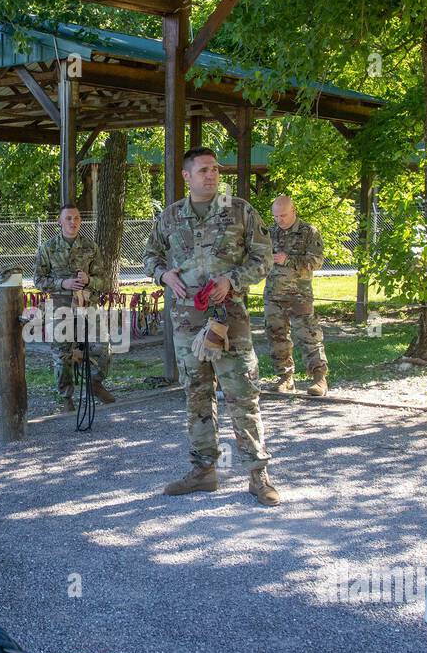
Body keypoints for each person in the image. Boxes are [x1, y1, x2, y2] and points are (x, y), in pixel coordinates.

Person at [144, 148, 281, 506]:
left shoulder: (239, 211)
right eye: (203, 170)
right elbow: (150, 255)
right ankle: (204, 472)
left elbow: (263, 257)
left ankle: (257, 475)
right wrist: (164, 273)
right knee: (197, 396)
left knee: (242, 395)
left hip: (228, 320)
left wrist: (233, 280)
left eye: (215, 169)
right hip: (187, 323)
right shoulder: (171, 217)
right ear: (187, 176)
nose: (212, 175)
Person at [33, 203, 116, 412]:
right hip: (61, 306)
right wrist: (63, 284)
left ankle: (95, 385)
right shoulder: (48, 248)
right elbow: (38, 280)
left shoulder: (90, 247)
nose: (73, 222)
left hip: (87, 304)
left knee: (102, 347)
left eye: (77, 218)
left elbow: (104, 280)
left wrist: (88, 279)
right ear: (59, 222)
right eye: (68, 218)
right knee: (62, 353)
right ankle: (66, 397)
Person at [265, 195, 329, 396]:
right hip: (273, 294)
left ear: (294, 211)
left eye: (283, 215)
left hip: (299, 295)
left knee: (308, 335)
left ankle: (319, 379)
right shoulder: (269, 232)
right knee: (276, 337)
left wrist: (289, 260)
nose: (279, 220)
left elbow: (317, 261)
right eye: (276, 216)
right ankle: (285, 378)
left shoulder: (309, 232)